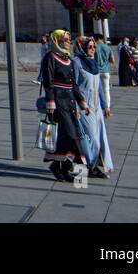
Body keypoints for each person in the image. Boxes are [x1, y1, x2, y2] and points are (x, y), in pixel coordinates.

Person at [39, 30, 89, 182]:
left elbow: (73, 84)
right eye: (66, 40)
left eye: (69, 40)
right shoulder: (50, 57)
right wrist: (50, 102)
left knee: (73, 135)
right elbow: (48, 81)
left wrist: (82, 102)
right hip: (58, 101)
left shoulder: (68, 58)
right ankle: (58, 165)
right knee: (69, 134)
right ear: (57, 40)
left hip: (70, 101)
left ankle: (62, 167)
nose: (69, 42)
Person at [72, 37, 113, 178]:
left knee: (99, 137)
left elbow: (99, 86)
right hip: (85, 107)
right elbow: (73, 85)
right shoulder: (77, 62)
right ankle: (91, 167)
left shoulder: (94, 62)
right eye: (89, 47)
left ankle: (90, 166)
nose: (92, 49)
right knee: (91, 138)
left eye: (94, 47)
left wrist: (105, 105)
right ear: (82, 47)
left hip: (96, 107)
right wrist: (76, 106)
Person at [94, 35, 114, 108]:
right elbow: (112, 60)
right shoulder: (107, 47)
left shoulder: (94, 46)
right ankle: (107, 107)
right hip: (105, 71)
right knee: (106, 90)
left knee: (96, 90)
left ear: (97, 39)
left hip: (96, 71)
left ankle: (97, 106)